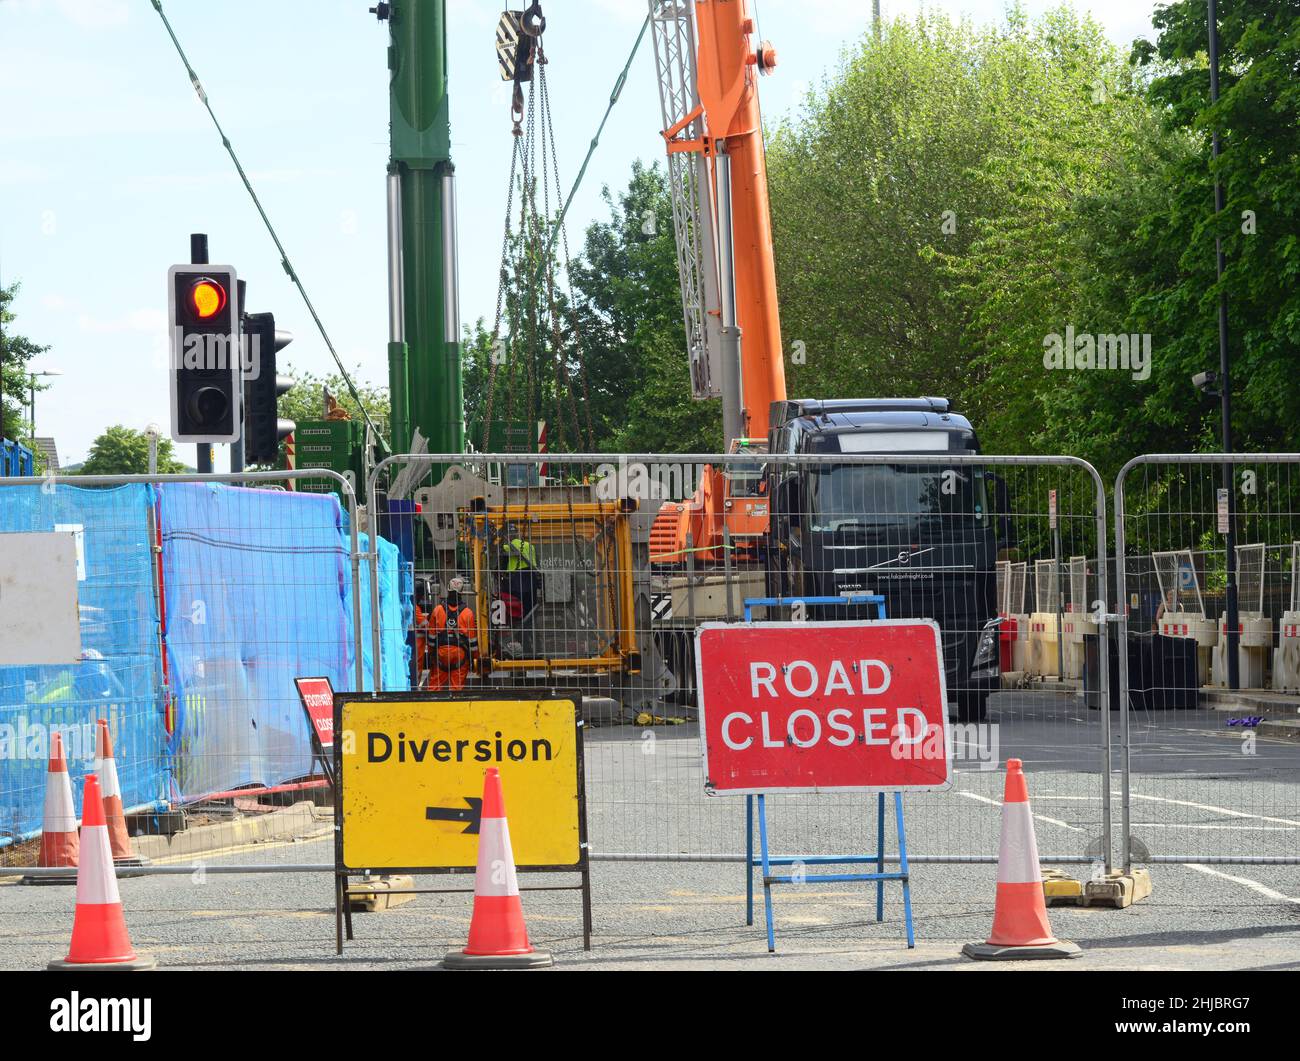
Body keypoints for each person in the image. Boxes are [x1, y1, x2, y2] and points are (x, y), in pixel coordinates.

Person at [429, 576, 476, 690]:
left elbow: (431, 637)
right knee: (457, 688)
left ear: (448, 589)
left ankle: (431, 700)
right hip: (460, 654)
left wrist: (431, 655)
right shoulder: (468, 613)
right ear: (462, 592)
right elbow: (472, 641)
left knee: (434, 687)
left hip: (441, 653)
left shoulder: (437, 610)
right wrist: (474, 659)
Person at [499, 524, 541, 624]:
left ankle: (519, 627)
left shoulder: (507, 547)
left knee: (516, 608)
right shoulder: (530, 546)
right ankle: (530, 627)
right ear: (517, 534)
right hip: (531, 579)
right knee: (530, 608)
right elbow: (535, 563)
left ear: (507, 535)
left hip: (516, 581)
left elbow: (500, 556)